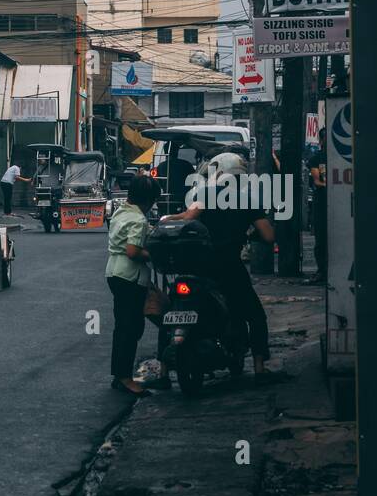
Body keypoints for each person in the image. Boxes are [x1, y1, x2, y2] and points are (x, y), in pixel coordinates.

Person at [164, 149, 276, 380]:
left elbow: (187, 218)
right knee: (255, 316)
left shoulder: (206, 194)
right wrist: (248, 236)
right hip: (230, 268)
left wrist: (166, 219)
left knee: (172, 310)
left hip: (199, 266)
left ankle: (163, 370)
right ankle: (259, 367)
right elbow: (268, 236)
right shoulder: (248, 200)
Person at [105, 175, 159, 396]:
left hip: (114, 273)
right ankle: (126, 378)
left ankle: (120, 375)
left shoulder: (121, 212)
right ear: (148, 200)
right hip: (129, 276)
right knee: (130, 328)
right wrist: (155, 254)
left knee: (123, 327)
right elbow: (133, 252)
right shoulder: (138, 220)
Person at [307, 129, 328, 284]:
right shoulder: (316, 159)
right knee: (321, 238)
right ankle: (322, 270)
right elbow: (317, 181)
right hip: (321, 201)